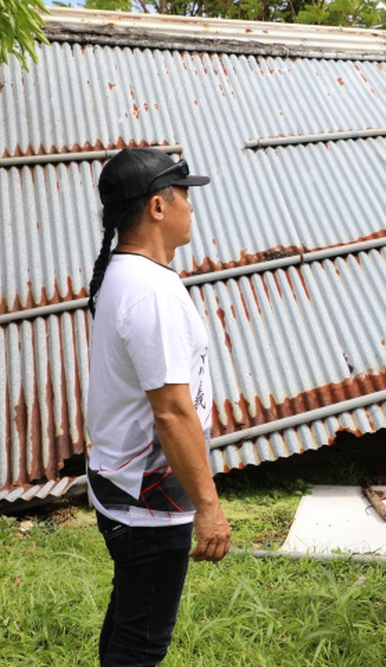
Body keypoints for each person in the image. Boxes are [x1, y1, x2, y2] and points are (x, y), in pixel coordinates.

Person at [85, 147, 231, 666]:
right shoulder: (151, 294)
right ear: (157, 207)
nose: (192, 206)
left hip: (121, 485)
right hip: (147, 502)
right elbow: (171, 412)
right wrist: (209, 508)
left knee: (130, 619)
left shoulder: (124, 274)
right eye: (185, 194)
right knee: (142, 641)